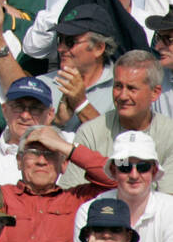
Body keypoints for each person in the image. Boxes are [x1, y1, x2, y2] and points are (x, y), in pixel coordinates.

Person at [61, 48, 173, 192]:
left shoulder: (169, 134)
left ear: (155, 92)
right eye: (118, 86)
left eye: (132, 88)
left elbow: (168, 200)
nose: (122, 96)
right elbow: (71, 193)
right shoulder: (91, 132)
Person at [0, 123, 116, 242]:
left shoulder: (78, 200)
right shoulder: (1, 196)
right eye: (34, 153)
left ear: (64, 164)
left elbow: (117, 178)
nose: (41, 161)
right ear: (19, 161)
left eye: (50, 154)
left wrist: (66, 148)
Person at [0, 76, 57, 187]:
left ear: (50, 115)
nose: (25, 116)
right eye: (18, 107)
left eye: (35, 109)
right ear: (4, 110)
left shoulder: (62, 156)